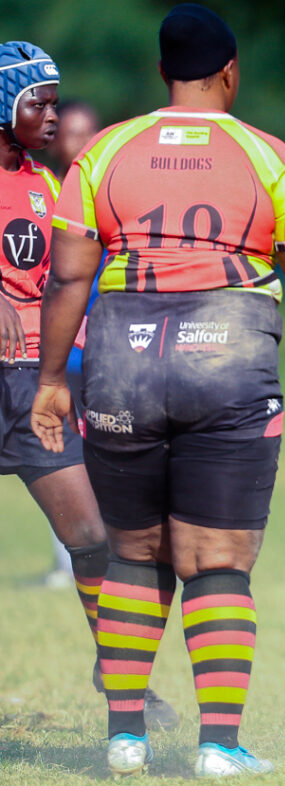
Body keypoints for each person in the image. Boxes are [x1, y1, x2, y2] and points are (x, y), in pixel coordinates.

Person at [30, 3, 285, 778]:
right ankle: (219, 746)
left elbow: (66, 279)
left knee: (133, 554)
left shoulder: (103, 152)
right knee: (218, 561)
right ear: (231, 71)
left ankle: (125, 738)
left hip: (121, 360)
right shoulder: (268, 156)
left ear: (163, 70)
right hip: (226, 357)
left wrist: (54, 380)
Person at [0, 41, 178, 728]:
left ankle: (119, 677)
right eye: (37, 103)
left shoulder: (47, 185)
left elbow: (64, 286)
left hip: (29, 388)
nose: (51, 115)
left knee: (94, 538)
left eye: (54, 103)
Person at [36, 98, 102, 590]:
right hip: (60, 349)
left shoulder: (107, 194)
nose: (76, 142)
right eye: (68, 132)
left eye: (85, 133)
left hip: (106, 344)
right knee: (60, 454)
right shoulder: (42, 193)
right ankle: (69, 563)